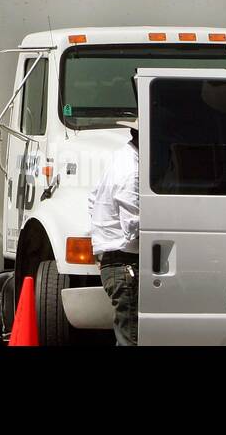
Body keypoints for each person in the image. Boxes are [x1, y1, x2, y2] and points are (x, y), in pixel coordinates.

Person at [88, 118, 140, 346]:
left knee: (128, 335)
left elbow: (93, 200)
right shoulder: (133, 171)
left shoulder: (121, 158)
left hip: (115, 260)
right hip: (125, 260)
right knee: (131, 337)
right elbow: (133, 225)